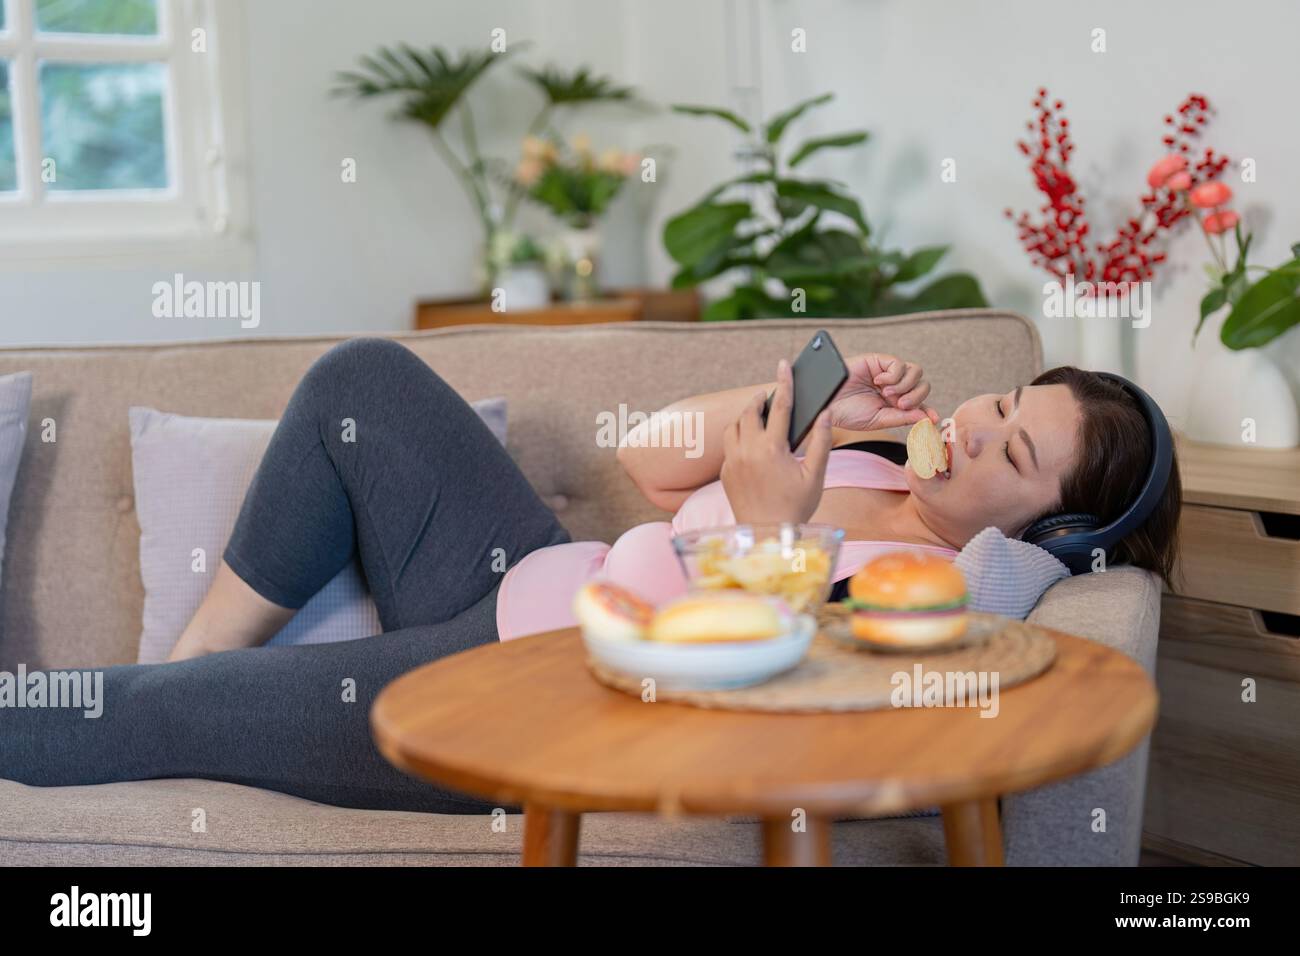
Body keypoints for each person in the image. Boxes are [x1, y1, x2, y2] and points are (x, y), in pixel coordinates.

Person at [0, 337, 1180, 812]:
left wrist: (771, 534)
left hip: (542, 697)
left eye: (1012, 453)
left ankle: (174, 698)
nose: (972, 427)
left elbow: (767, 703)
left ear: (1059, 528)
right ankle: (205, 653)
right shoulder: (865, 458)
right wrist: (800, 404)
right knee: (361, 381)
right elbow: (652, 457)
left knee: (150, 712)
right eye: (1001, 404)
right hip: (530, 575)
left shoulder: (958, 585)